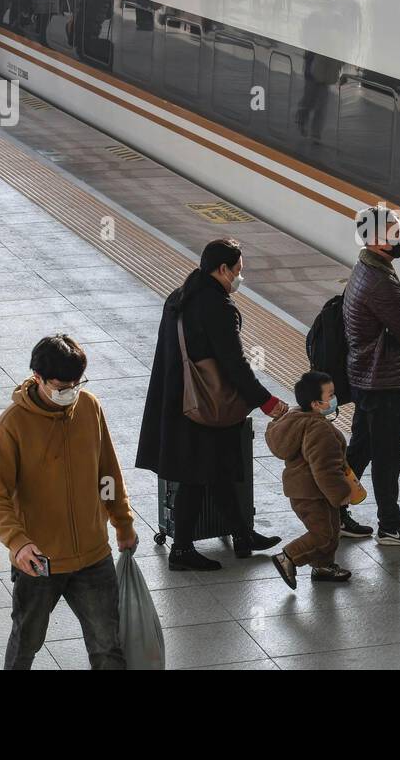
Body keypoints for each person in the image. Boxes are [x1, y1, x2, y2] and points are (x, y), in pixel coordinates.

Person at [0, 335, 138, 670]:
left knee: (108, 647)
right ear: (37, 378)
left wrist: (122, 522)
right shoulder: (13, 425)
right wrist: (18, 543)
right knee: (26, 641)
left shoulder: (89, 407)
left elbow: (107, 472)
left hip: (93, 553)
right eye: (61, 385)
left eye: (76, 383)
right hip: (39, 559)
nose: (70, 391)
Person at [136, 238, 286, 571]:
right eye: (238, 271)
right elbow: (234, 363)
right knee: (195, 476)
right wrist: (267, 401)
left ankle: (242, 534)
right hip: (205, 404)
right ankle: (182, 550)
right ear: (222, 269)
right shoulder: (217, 306)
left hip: (180, 398)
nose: (239, 278)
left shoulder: (180, 296)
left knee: (217, 470)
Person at [342, 205, 400, 546]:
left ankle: (334, 511)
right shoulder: (380, 281)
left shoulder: (367, 268)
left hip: (366, 375)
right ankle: (390, 526)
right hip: (381, 379)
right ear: (377, 239)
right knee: (387, 455)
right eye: (396, 232)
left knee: (361, 449)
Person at [267, 371, 355, 589]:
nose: (335, 399)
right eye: (331, 395)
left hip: (304, 490)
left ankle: (323, 566)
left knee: (331, 530)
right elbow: (324, 468)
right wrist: (341, 494)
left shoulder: (299, 419)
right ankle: (288, 557)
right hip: (313, 492)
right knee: (323, 535)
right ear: (316, 403)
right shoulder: (318, 428)